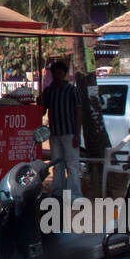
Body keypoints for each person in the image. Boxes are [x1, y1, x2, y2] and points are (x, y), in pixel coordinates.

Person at [40, 59, 83, 199]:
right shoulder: (49, 91)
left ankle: (74, 195)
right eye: (55, 73)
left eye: (60, 73)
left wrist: (77, 134)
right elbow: (42, 110)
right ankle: (58, 192)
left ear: (64, 74)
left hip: (70, 132)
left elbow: (78, 112)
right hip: (54, 133)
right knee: (57, 164)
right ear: (52, 74)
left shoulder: (72, 90)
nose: (57, 75)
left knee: (72, 164)